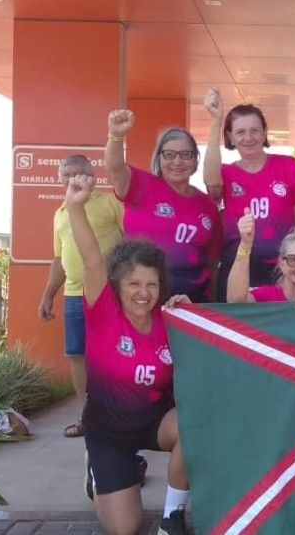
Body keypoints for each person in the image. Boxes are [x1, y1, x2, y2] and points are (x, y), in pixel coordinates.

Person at [64, 173, 190, 535]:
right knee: (124, 529)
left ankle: (172, 517)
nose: (143, 292)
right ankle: (97, 471)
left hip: (153, 423)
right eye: (134, 283)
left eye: (152, 284)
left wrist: (189, 310)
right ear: (117, 284)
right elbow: (91, 260)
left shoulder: (168, 320)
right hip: (108, 433)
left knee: (192, 425)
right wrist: (76, 205)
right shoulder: (103, 311)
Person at [38, 155, 124, 439]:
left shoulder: (110, 203)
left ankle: (119, 413)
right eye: (67, 174)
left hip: (110, 294)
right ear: (59, 179)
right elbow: (58, 259)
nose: (73, 179)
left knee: (114, 352)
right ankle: (88, 416)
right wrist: (48, 295)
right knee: (76, 355)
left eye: (79, 173)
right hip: (74, 295)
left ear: (93, 176)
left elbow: (131, 243)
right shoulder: (60, 213)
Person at [201, 88, 295, 301]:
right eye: (240, 132)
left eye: (255, 130)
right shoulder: (226, 173)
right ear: (230, 136)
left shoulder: (289, 166)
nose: (248, 138)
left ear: (265, 132)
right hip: (237, 269)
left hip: (282, 272)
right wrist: (215, 122)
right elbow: (211, 184)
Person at [105, 109, 222, 303]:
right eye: (169, 154)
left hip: (193, 304)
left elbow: (212, 262)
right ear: (159, 158)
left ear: (195, 161)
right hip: (142, 302)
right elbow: (114, 167)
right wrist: (116, 136)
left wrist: (215, 304)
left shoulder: (207, 205)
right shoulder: (141, 185)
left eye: (185, 154)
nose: (177, 161)